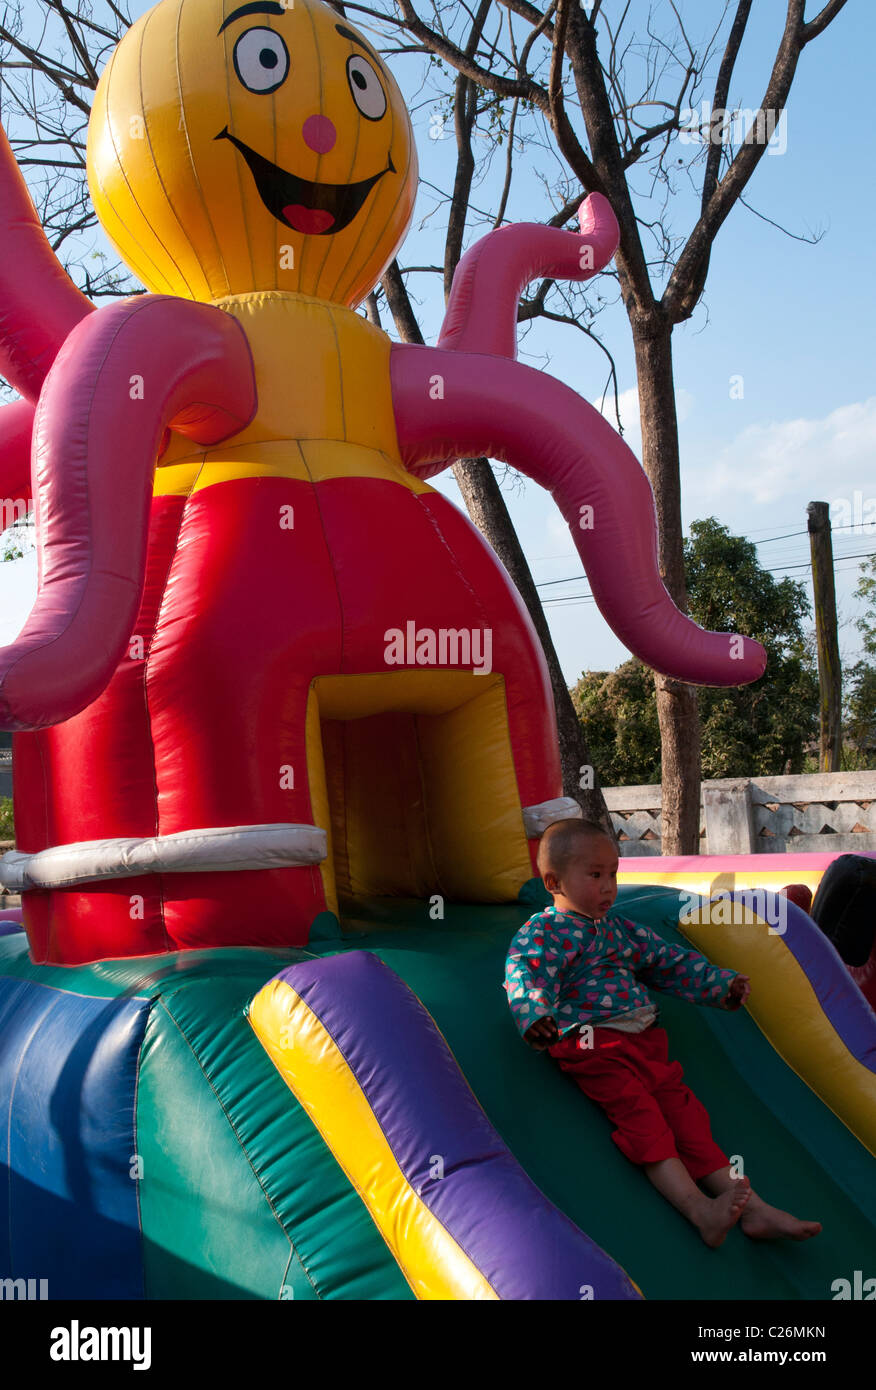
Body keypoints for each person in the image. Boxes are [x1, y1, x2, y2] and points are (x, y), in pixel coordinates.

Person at [504, 818, 822, 1249]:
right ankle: (699, 1209)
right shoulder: (544, 932)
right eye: (595, 875)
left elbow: (667, 962)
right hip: (593, 1045)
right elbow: (525, 973)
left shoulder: (619, 929)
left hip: (645, 1041)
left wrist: (718, 983)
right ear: (553, 881)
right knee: (644, 1120)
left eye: (613, 874)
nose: (608, 886)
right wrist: (536, 1015)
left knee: (689, 1121)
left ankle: (755, 1210)